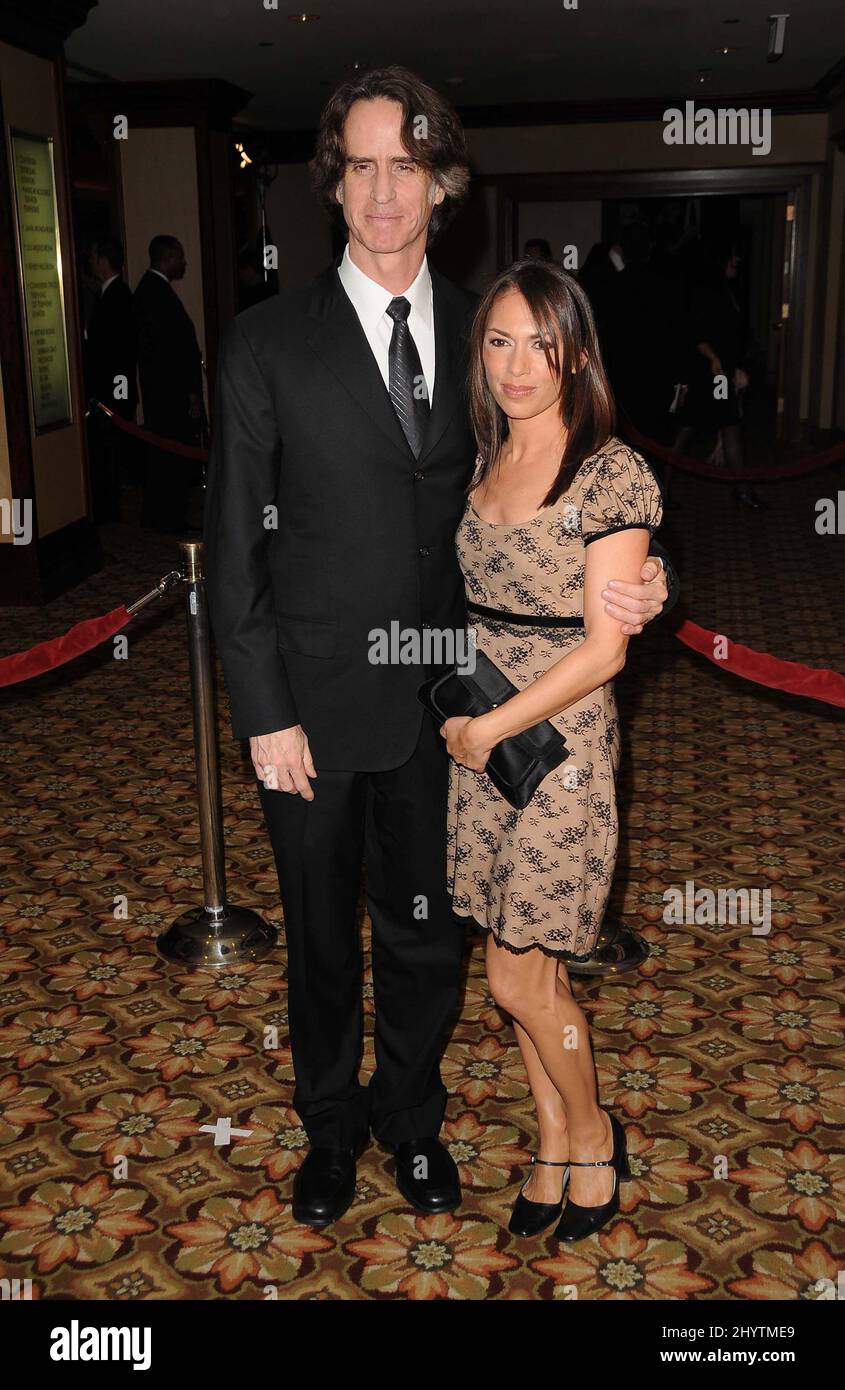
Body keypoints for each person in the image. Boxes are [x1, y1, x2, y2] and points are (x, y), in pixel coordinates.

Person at [203, 65, 678, 1232]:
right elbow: (231, 550)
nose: (380, 191)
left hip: (453, 710)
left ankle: (410, 1121)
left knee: (423, 938)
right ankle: (329, 1130)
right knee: (319, 940)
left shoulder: (493, 333)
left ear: (439, 185)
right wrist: (262, 709)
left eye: (403, 167)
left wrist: (637, 580)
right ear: (334, 185)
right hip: (307, 713)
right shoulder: (265, 345)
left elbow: (577, 478)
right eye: (358, 166)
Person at [442, 259, 664, 1242]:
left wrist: (491, 727)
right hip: (486, 741)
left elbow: (605, 646)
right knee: (525, 969)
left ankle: (591, 1132)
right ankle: (549, 1143)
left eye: (540, 341)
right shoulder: (482, 460)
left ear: (573, 351)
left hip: (557, 749)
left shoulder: (607, 468)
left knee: (511, 975)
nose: (517, 363)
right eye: (498, 340)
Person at [672, 241, 767, 512]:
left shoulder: (726, 289)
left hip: (721, 372)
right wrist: (716, 360)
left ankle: (742, 489)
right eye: (734, 255)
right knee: (688, 430)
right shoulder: (705, 290)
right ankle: (660, 492)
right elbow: (695, 332)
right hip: (710, 373)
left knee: (724, 426)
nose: (738, 259)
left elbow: (731, 336)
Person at [133, 234, 204, 532]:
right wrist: (190, 393)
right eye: (180, 257)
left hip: (162, 392)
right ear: (167, 257)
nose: (183, 262)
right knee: (170, 455)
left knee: (166, 456)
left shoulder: (152, 290)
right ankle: (167, 516)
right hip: (169, 394)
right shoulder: (155, 293)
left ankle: (163, 514)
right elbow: (174, 350)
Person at [85, 235, 137, 522]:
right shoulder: (109, 294)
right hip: (111, 391)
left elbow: (118, 354)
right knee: (108, 452)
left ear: (103, 262)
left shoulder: (117, 296)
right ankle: (109, 505)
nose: (91, 263)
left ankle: (109, 510)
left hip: (110, 392)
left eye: (93, 258)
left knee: (109, 451)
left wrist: (115, 398)